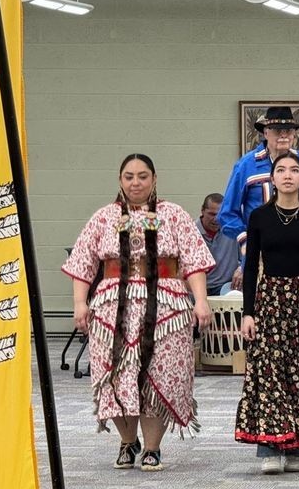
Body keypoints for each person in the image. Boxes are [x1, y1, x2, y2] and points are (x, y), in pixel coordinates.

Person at [62, 153, 214, 472]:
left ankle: (153, 447)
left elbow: (194, 261)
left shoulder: (173, 215)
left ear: (154, 179)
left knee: (160, 372)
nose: (136, 182)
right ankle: (127, 440)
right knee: (115, 374)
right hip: (112, 308)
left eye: (143, 176)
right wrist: (79, 303)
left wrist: (200, 300)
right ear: (120, 180)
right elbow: (83, 263)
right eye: (129, 176)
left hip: (167, 308)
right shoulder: (104, 217)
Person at [234, 151, 299, 474]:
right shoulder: (260, 217)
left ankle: (298, 447)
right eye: (281, 170)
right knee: (268, 372)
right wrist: (248, 313)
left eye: (295, 170)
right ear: (273, 178)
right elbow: (250, 267)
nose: (288, 175)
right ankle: (269, 448)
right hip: (269, 300)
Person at [219, 106, 299, 290]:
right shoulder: (246, 165)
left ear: (295, 134)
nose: (283, 135)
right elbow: (227, 214)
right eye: (276, 130)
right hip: (261, 253)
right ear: (265, 132)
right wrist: (245, 240)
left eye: (288, 130)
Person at [196, 193, 240, 297]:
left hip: (226, 287)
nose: (216, 219)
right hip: (198, 288)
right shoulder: (191, 232)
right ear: (202, 210)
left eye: (220, 214)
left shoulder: (233, 231)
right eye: (211, 214)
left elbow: (248, 255)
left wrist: (241, 269)